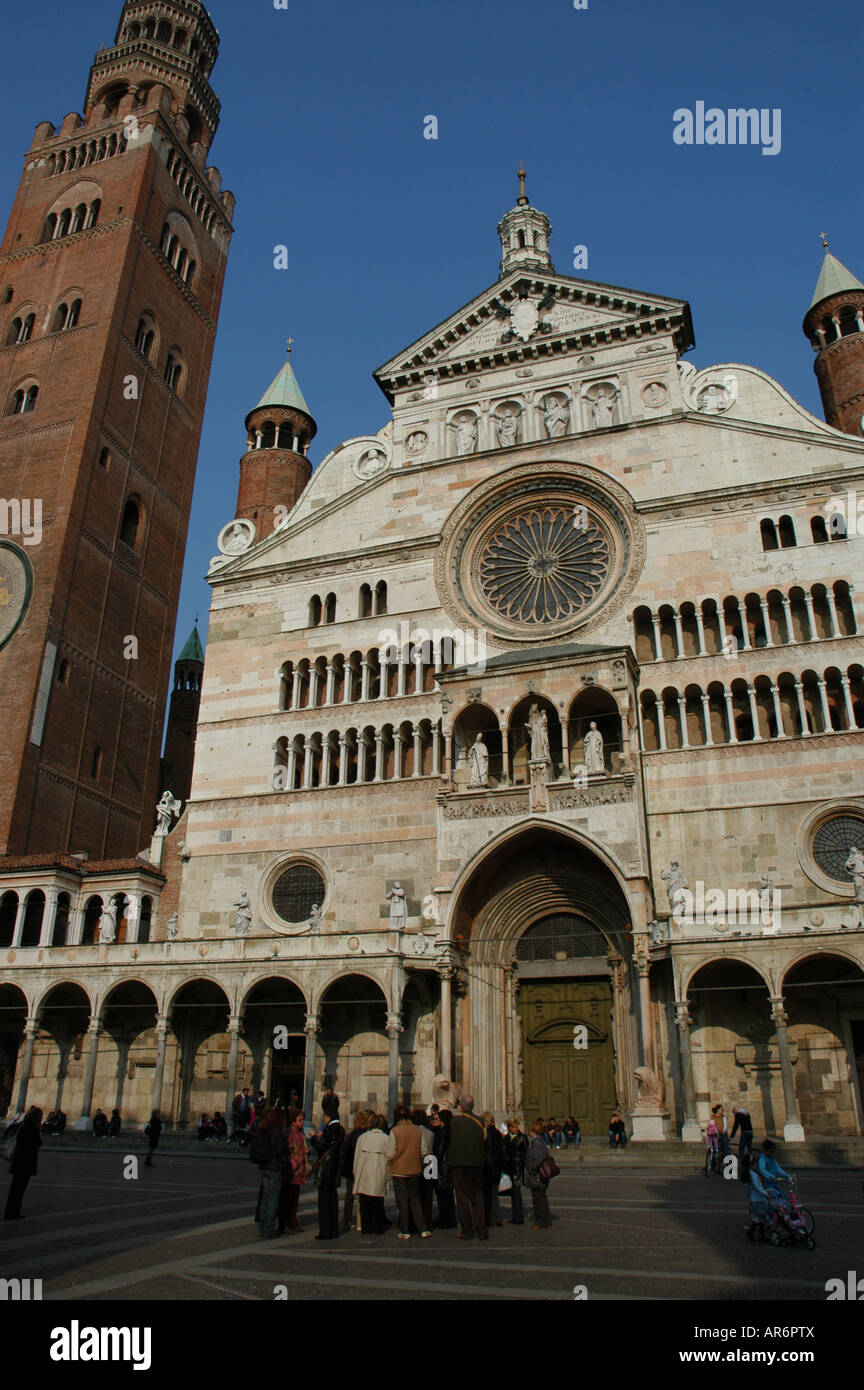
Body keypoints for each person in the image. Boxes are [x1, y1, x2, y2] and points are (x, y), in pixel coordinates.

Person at [387, 1102, 429, 1239]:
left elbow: (390, 1153)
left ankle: (405, 1230)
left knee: (402, 1200)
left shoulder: (395, 1131)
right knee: (415, 1200)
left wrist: (392, 1161)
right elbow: (424, 1151)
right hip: (415, 1169)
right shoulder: (418, 1130)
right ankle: (422, 1228)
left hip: (398, 1170)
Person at [448, 1095, 487, 1240]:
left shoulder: (454, 1122)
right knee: (477, 1196)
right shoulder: (481, 1122)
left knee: (462, 1197)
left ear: (462, 1107)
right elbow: (485, 1142)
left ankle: (467, 1230)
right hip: (476, 1163)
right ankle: (482, 1230)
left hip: (458, 1164)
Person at [253, 1107, 288, 1240]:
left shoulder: (262, 1128)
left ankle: (262, 1227)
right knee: (273, 1198)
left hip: (264, 1165)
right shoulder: (276, 1130)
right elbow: (279, 1150)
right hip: (274, 1167)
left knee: (265, 1198)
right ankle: (270, 1229)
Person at [310, 1108, 344, 1240]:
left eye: (324, 1116)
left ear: (328, 1116)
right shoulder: (340, 1129)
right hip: (335, 1167)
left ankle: (325, 1231)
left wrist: (313, 1137)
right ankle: (333, 1230)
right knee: (332, 1199)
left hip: (326, 1168)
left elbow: (320, 1147)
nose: (323, 1119)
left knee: (324, 1201)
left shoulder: (329, 1129)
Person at [4, 1105, 42, 1220]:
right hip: (24, 1163)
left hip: (19, 1162)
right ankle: (13, 1212)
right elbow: (37, 1142)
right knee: (19, 1189)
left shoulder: (23, 1125)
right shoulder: (31, 1127)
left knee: (15, 1188)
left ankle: (11, 1211)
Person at [354, 1112, 390, 1234]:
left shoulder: (362, 1138)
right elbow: (389, 1158)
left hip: (364, 1174)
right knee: (377, 1203)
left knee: (364, 1202)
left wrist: (356, 1172)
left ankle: (365, 1227)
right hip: (379, 1173)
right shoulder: (385, 1138)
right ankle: (376, 1227)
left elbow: (357, 1158)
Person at [279, 1109, 308, 1234]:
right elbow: (288, 1152)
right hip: (292, 1170)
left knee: (295, 1198)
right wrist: (294, 1165)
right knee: (288, 1198)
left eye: (302, 1120)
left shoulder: (300, 1133)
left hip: (299, 1170)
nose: (301, 1123)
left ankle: (292, 1221)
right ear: (293, 1121)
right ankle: (288, 1222)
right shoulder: (290, 1134)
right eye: (299, 1120)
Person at [341, 1110, 370, 1231]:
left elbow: (345, 1153)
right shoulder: (366, 1136)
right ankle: (362, 1220)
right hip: (362, 1168)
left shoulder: (351, 1135)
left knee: (350, 1195)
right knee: (363, 1194)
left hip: (351, 1169)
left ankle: (347, 1219)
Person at [431, 1108, 456, 1229]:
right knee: (448, 1195)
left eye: (437, 1119)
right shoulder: (450, 1131)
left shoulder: (442, 1133)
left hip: (442, 1169)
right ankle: (450, 1218)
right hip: (448, 1168)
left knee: (443, 1195)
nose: (435, 1121)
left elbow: (438, 1152)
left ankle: (445, 1219)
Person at [525, 1119, 552, 1229]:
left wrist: (530, 1168)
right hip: (540, 1176)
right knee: (542, 1198)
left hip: (537, 1176)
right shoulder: (541, 1142)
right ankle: (546, 1220)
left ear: (534, 1132)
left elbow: (537, 1160)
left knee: (538, 1199)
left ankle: (541, 1221)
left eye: (531, 1131)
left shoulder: (537, 1143)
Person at [413, 1108, 436, 1232]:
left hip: (418, 1162)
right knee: (428, 1193)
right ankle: (428, 1221)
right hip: (431, 1162)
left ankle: (416, 1221)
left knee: (415, 1193)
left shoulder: (414, 1132)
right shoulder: (430, 1132)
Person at [741, 1151, 771, 1242]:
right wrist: (766, 1194)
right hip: (758, 1199)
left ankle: (754, 1233)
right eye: (755, 1163)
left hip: (755, 1199)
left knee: (758, 1218)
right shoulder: (752, 1174)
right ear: (751, 1164)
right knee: (760, 1218)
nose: (757, 1165)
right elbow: (757, 1186)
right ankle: (757, 1234)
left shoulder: (750, 1174)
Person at [502, 1117, 528, 1225]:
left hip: (517, 1168)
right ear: (509, 1128)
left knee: (517, 1192)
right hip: (509, 1168)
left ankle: (519, 1217)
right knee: (512, 1193)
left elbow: (526, 1153)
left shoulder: (523, 1137)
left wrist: (521, 1163)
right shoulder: (506, 1138)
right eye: (513, 1127)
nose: (516, 1129)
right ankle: (515, 1215)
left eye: (517, 1126)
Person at [483, 1112, 505, 1228]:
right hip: (496, 1168)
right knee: (494, 1194)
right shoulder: (498, 1133)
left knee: (486, 1194)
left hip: (487, 1167)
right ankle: (498, 1217)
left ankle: (488, 1218)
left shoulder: (485, 1134)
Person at [757, 1141, 792, 1208]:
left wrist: (787, 1176)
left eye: (773, 1152)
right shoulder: (762, 1159)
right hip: (766, 1183)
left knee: (782, 1195)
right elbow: (762, 1170)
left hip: (773, 1182)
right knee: (774, 1197)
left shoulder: (772, 1159)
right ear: (765, 1151)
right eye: (770, 1152)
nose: (772, 1154)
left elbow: (778, 1169)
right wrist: (771, 1176)